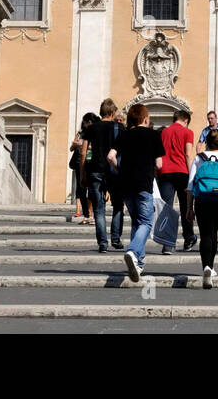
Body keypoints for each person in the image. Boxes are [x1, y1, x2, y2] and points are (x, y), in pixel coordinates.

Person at [107, 103, 165, 281]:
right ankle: (132, 252)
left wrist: (120, 170)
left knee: (136, 222)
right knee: (146, 223)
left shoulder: (124, 135)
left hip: (126, 185)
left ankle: (138, 264)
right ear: (146, 119)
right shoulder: (153, 135)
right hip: (143, 185)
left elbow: (110, 156)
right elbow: (159, 164)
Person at [188, 127, 218, 288]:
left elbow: (190, 185)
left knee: (205, 234)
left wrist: (189, 207)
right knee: (213, 232)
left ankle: (206, 267)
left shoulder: (199, 157)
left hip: (202, 199)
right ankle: (212, 266)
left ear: (207, 142)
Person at [84, 99, 125, 252]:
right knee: (118, 206)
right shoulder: (120, 128)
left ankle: (102, 243)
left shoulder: (92, 128)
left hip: (95, 170)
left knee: (98, 209)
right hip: (114, 171)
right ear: (113, 112)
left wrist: (82, 173)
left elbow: (83, 151)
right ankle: (116, 238)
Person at [157, 108, 197, 253]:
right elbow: (187, 154)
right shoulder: (188, 132)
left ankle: (167, 244)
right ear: (186, 120)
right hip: (182, 172)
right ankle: (188, 238)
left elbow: (159, 153)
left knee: (166, 208)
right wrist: (191, 174)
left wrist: (157, 174)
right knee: (186, 206)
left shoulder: (163, 132)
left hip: (165, 172)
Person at [69, 113, 98, 225]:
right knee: (81, 190)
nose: (87, 124)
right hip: (79, 163)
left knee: (92, 190)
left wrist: (85, 146)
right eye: (86, 122)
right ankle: (86, 214)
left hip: (90, 162)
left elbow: (96, 147)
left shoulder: (95, 133)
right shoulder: (80, 134)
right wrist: (76, 144)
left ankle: (91, 213)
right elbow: (71, 148)